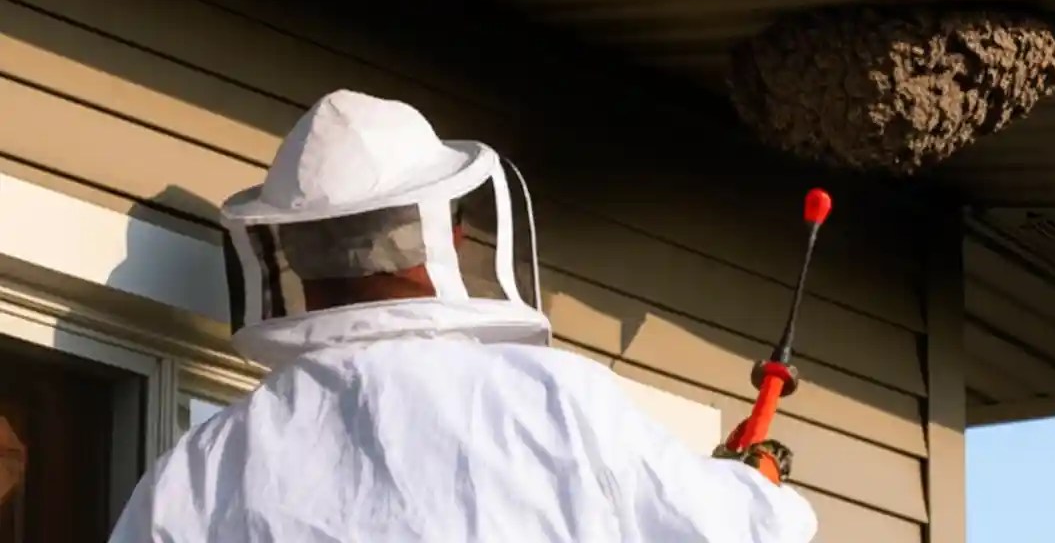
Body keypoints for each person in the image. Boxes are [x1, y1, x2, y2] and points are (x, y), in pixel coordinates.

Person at [108, 89, 817, 542]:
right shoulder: (553, 402)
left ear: (289, 254)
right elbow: (751, 532)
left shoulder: (201, 470)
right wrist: (753, 480)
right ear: (443, 236)